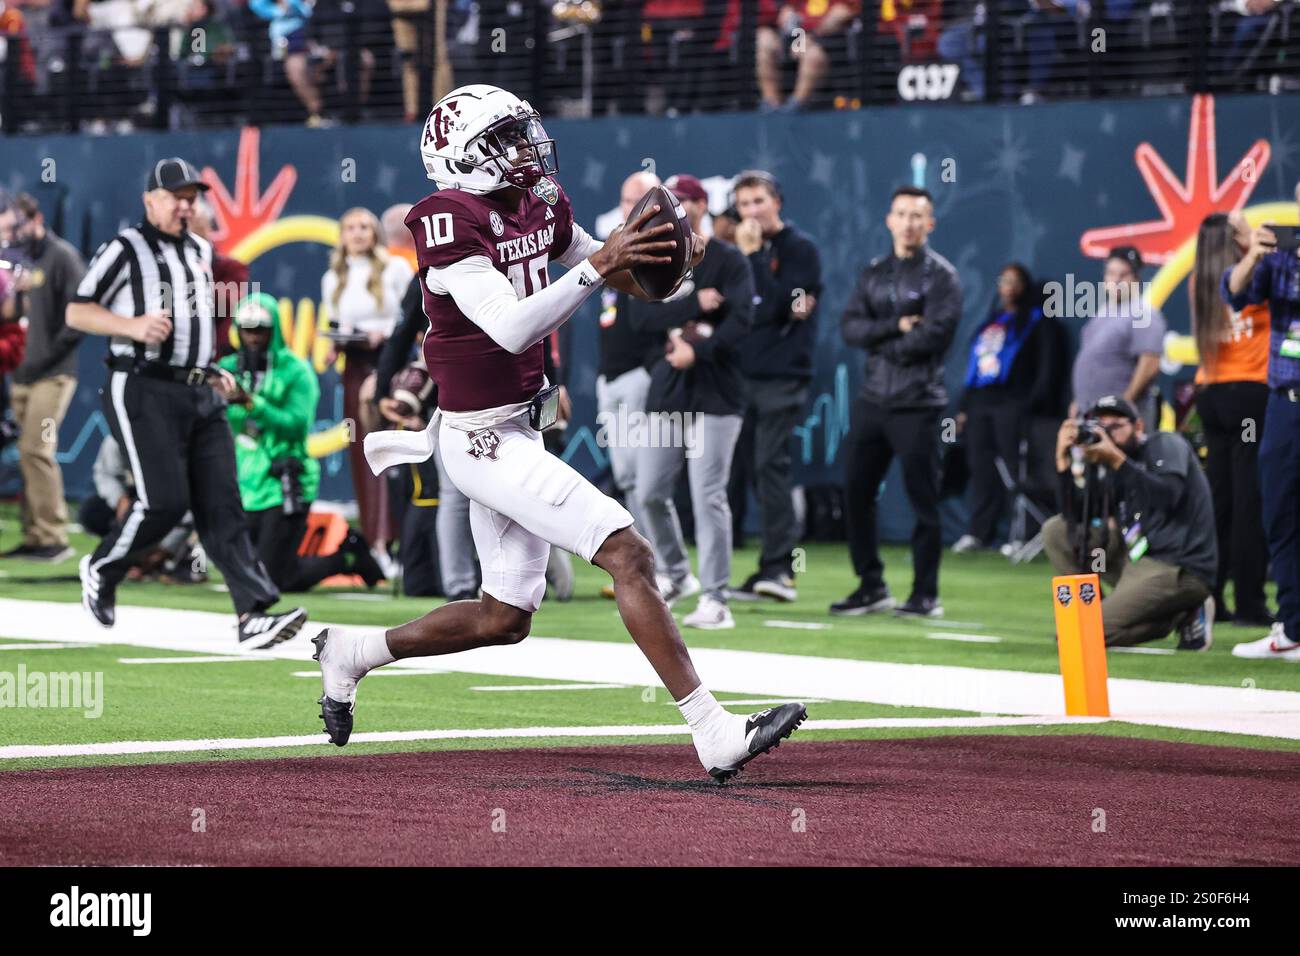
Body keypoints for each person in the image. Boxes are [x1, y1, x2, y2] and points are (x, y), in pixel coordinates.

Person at [313, 84, 806, 782]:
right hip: (481, 439)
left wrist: (668, 265)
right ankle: (714, 732)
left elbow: (613, 269)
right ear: (463, 156)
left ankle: (353, 652)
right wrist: (598, 267)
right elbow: (513, 324)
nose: (524, 149)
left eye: (522, 134)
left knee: (503, 617)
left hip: (518, 424)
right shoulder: (447, 217)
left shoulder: (536, 198)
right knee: (629, 554)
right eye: (504, 140)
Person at [66, 156, 308, 648]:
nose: (184, 206)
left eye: (190, 198)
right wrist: (131, 326)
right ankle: (103, 565)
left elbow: (197, 323)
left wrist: (210, 365)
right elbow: (77, 309)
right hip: (142, 383)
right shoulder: (126, 247)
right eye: (175, 197)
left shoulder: (200, 249)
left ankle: (253, 614)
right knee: (164, 502)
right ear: (150, 201)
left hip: (198, 388)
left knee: (223, 505)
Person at [628, 173, 754, 629]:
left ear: (702, 206)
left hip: (717, 393)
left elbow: (743, 322)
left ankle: (717, 599)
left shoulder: (731, 261)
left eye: (686, 201)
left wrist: (695, 348)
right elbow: (638, 318)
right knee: (650, 491)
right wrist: (694, 305)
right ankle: (678, 573)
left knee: (707, 495)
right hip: (668, 391)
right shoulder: (656, 255)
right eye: (672, 201)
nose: (679, 208)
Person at [833, 185, 961, 618]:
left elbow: (934, 337)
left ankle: (926, 594)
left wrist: (885, 338)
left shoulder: (942, 276)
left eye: (917, 216)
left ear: (930, 224)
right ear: (890, 220)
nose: (908, 223)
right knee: (855, 493)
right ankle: (871, 585)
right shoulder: (873, 272)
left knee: (923, 501)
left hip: (919, 403)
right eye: (901, 214)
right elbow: (850, 327)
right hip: (873, 400)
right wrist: (896, 327)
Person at [213, 292, 383, 592]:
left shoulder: (296, 371)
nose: (252, 336)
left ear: (274, 329)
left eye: (260, 329)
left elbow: (295, 426)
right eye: (246, 328)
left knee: (269, 580)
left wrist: (251, 402)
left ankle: (345, 558)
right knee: (249, 569)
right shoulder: (227, 367)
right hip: (241, 479)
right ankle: (349, 555)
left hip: (284, 480)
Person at [1042, 396, 1217, 651]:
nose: (1108, 433)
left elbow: (1168, 496)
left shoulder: (1164, 444)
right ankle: (1102, 611)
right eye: (1101, 426)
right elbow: (1076, 516)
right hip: (1137, 556)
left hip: (1176, 564)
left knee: (1077, 637)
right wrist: (1062, 462)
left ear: (1138, 427)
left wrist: (1116, 461)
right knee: (1056, 530)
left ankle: (1181, 613)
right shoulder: (1113, 465)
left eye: (1116, 426)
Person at [727, 170, 820, 603]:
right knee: (746, 470)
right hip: (740, 375)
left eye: (758, 201)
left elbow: (775, 306)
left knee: (771, 466)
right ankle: (766, 565)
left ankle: (782, 569)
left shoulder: (800, 249)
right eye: (743, 204)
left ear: (777, 201)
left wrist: (755, 258)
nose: (751, 212)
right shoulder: (736, 250)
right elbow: (744, 312)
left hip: (782, 376)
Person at [1222, 191, 1300, 662]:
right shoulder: (1280, 256)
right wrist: (1253, 251)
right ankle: (1292, 627)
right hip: (1286, 402)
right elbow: (1232, 293)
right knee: (1280, 512)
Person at [321, 206, 413, 577]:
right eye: (350, 227)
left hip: (391, 367)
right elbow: (333, 322)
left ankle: (405, 540)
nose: (357, 234)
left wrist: (385, 333)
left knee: (396, 451)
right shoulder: (334, 277)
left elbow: (414, 317)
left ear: (375, 232)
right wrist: (334, 344)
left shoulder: (395, 269)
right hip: (355, 368)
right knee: (362, 452)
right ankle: (376, 541)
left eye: (364, 227)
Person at [1190, 212, 1272, 627]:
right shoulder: (1254, 273)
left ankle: (1210, 597)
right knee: (1248, 501)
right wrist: (1249, 240)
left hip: (1212, 393)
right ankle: (1251, 602)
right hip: (1250, 393)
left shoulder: (1199, 281)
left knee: (1218, 501)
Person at [951, 262, 1057, 554]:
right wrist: (964, 408)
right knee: (981, 466)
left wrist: (1030, 404)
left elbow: (1045, 370)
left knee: (1014, 467)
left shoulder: (1036, 322)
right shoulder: (991, 321)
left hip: (1013, 403)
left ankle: (1020, 532)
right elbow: (974, 367)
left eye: (1014, 281)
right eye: (1003, 280)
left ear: (1025, 286)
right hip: (981, 403)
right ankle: (979, 532)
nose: (1007, 286)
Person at [1, 192, 84, 562]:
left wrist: (50, 354)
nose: (13, 234)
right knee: (26, 453)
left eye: (18, 226)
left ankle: (53, 536)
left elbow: (81, 313)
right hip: (21, 374)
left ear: (36, 221)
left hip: (54, 376)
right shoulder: (17, 260)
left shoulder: (62, 256)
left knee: (38, 448)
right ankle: (34, 535)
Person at [1070, 246, 1166, 430]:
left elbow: (1150, 364)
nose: (1116, 281)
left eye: (1123, 275)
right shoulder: (1102, 313)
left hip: (1122, 420)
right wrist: (1079, 401)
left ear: (1136, 279)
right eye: (1111, 273)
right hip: (1091, 414)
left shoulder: (1143, 314)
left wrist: (1124, 403)